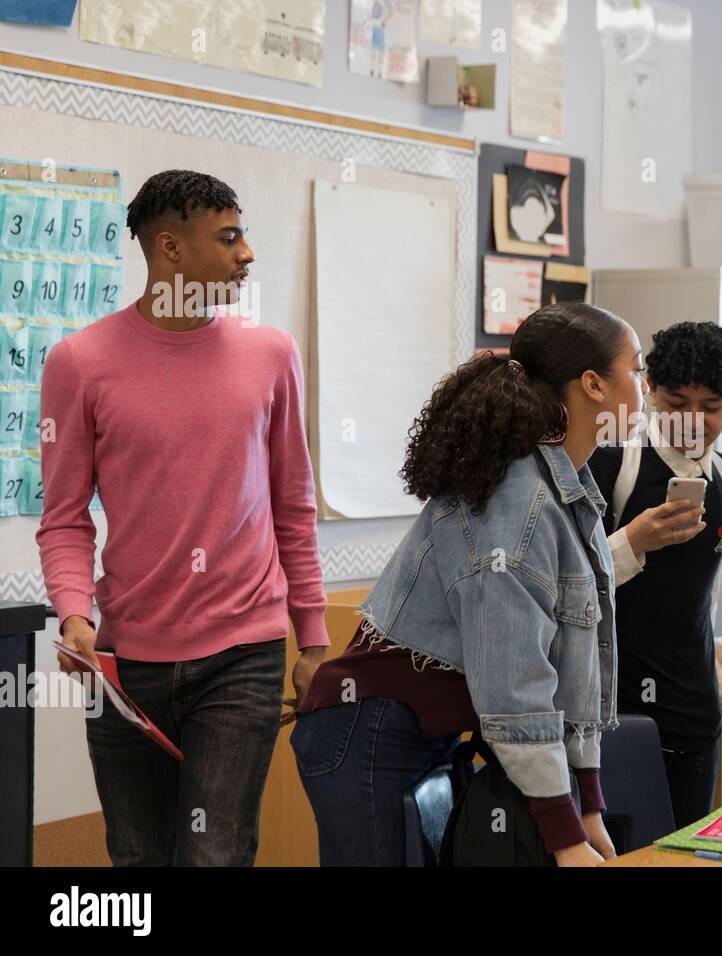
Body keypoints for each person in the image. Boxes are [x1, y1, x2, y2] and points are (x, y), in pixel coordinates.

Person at [37, 169, 329, 865]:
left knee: (211, 854)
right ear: (170, 247)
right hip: (124, 659)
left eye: (245, 235)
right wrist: (75, 614)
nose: (247, 253)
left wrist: (312, 637)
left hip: (243, 652)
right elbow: (65, 519)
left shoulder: (271, 354)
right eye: (229, 238)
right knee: (137, 858)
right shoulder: (79, 362)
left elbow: (293, 503)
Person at [291, 303, 644, 867]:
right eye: (638, 367)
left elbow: (578, 669)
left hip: (419, 733)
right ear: (594, 386)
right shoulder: (516, 501)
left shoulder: (568, 490)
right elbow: (515, 689)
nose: (645, 386)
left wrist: (589, 805)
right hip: (368, 734)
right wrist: (565, 837)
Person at [588, 321, 722, 829]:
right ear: (650, 391)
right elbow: (564, 585)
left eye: (711, 407)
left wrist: (717, 660)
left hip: (696, 707)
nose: (693, 422)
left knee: (686, 850)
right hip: (616, 709)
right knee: (624, 853)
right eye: (678, 403)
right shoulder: (613, 463)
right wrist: (633, 541)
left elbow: (705, 587)